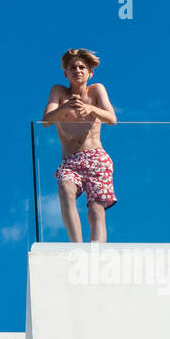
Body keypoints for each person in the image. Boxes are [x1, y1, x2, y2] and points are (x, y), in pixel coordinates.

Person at [40, 48, 118, 242]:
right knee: (65, 188)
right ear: (65, 73)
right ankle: (77, 246)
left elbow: (112, 119)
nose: (78, 70)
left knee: (96, 208)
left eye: (82, 67)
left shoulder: (97, 90)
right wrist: (65, 108)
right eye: (72, 67)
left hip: (96, 157)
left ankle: (95, 253)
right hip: (70, 159)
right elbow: (46, 121)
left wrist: (90, 108)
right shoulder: (59, 91)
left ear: (90, 73)